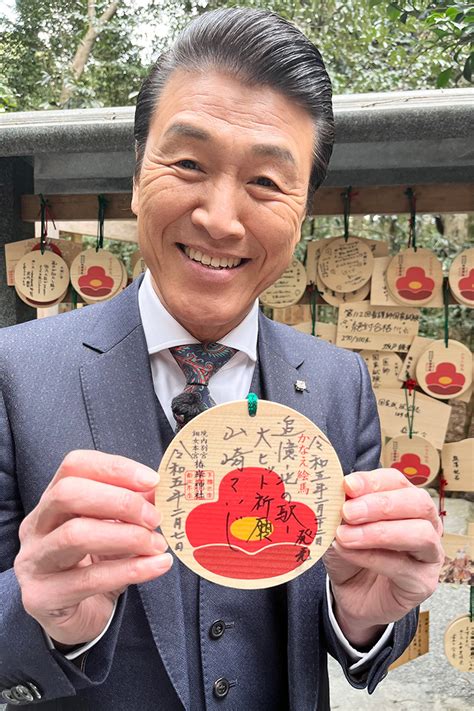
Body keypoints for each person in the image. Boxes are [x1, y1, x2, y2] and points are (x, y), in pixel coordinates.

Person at [0, 8, 443, 710]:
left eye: (266, 181)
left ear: (303, 209)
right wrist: (47, 620)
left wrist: (365, 615)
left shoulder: (339, 383)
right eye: (188, 164)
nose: (220, 219)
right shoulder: (15, 373)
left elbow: (364, 611)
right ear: (137, 173)